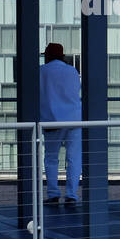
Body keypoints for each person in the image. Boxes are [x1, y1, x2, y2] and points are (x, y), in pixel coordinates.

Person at [40, 42, 83, 206]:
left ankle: (53, 194)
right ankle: (71, 194)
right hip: (74, 119)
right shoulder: (72, 71)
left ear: (47, 55)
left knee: (51, 158)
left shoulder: (41, 71)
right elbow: (76, 90)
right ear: (62, 55)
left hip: (52, 119)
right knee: (73, 158)